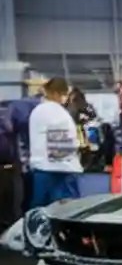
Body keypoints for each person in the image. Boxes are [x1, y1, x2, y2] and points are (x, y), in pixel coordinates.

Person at [28, 77, 83, 208]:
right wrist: (77, 146)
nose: (65, 98)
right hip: (60, 173)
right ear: (56, 93)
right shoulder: (55, 112)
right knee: (67, 212)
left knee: (40, 213)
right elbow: (61, 149)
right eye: (65, 94)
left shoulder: (38, 110)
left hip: (41, 170)